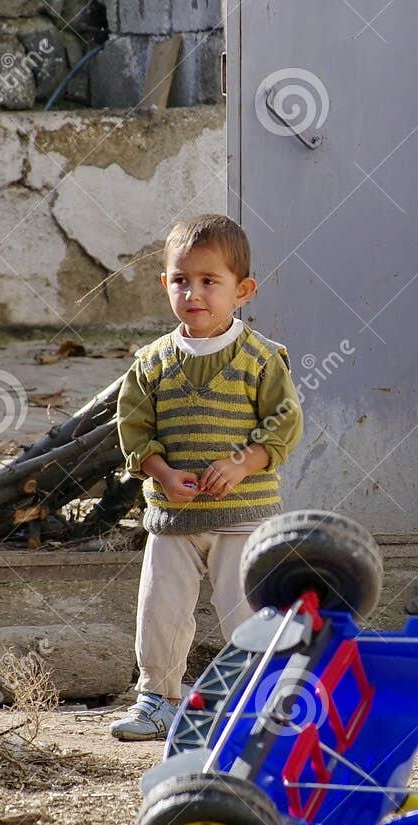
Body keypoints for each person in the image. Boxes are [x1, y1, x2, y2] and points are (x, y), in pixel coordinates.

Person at [110, 214, 303, 740]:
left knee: (246, 613)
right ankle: (158, 700)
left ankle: (256, 707)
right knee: (160, 611)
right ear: (165, 285)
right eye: (180, 280)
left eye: (209, 281)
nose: (193, 292)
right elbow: (135, 428)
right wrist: (162, 472)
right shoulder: (151, 363)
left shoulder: (261, 360)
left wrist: (243, 463)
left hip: (243, 519)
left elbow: (284, 423)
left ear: (242, 291)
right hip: (173, 517)